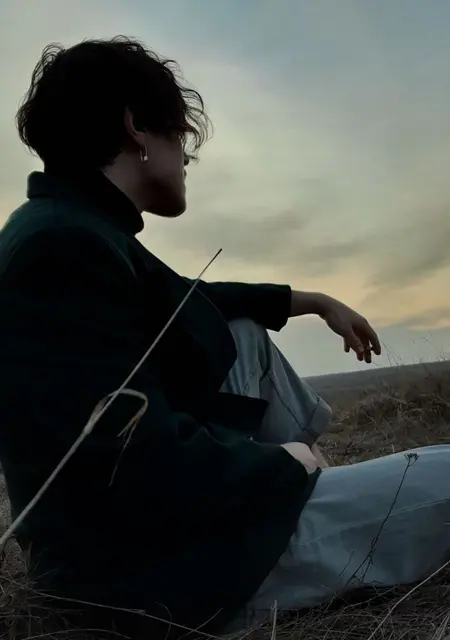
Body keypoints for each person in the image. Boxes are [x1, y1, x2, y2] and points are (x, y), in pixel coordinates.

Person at [0, 37, 448, 638]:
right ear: (136, 127)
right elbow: (131, 467)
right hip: (157, 578)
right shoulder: (62, 251)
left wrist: (313, 301)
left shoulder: (72, 228)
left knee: (240, 332)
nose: (187, 156)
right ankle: (311, 492)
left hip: (154, 541)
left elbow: (191, 299)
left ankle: (319, 487)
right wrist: (281, 464)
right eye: (181, 136)